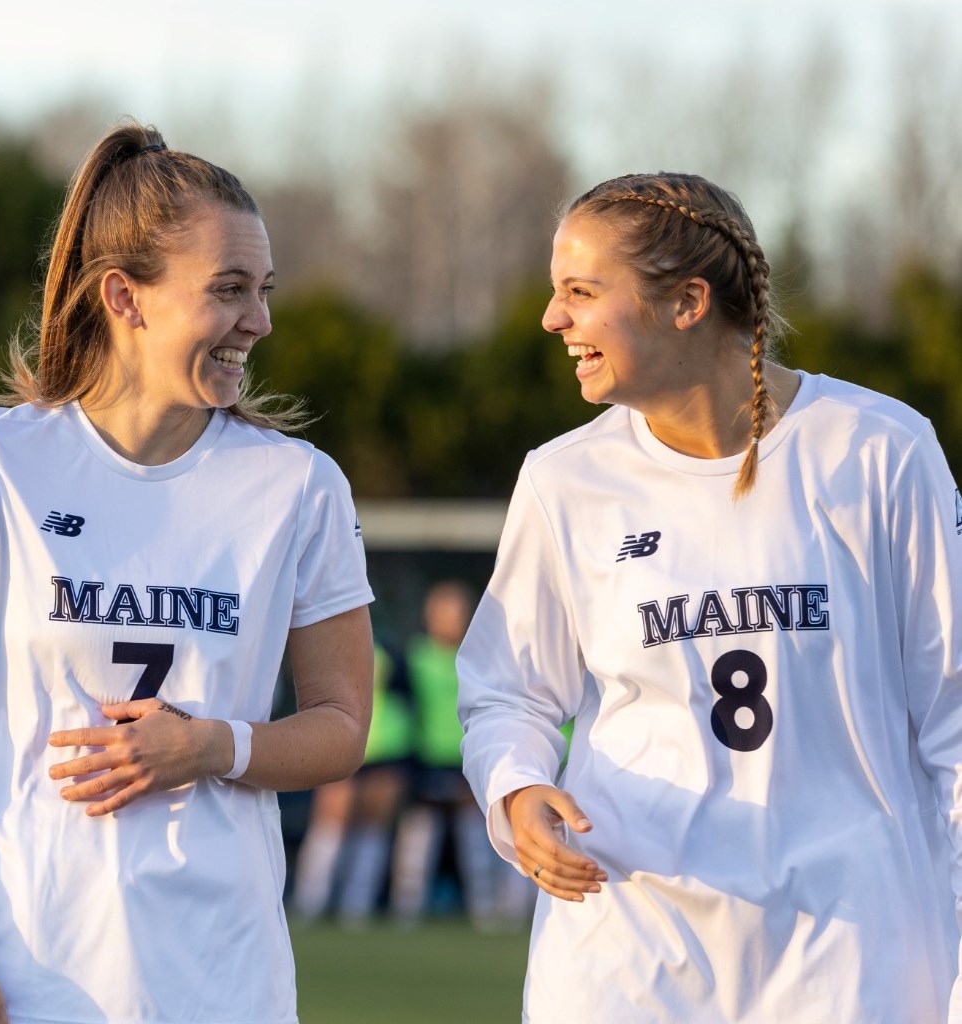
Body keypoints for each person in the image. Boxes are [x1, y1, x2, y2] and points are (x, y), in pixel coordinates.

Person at [0, 120, 375, 1024]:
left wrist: (209, 745)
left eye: (263, 292)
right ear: (125, 296)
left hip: (224, 979)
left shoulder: (300, 485)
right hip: (24, 971)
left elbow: (343, 727)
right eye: (228, 291)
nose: (257, 321)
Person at [458, 172, 962, 1022]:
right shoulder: (563, 480)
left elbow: (954, 721)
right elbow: (507, 692)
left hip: (848, 964)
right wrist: (515, 789)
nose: (552, 320)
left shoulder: (880, 451)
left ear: (688, 302)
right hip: (625, 963)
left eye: (580, 293)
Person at [390, 581, 528, 928]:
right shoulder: (413, 656)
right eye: (444, 613)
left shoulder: (480, 656)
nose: (452, 621)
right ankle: (405, 910)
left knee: (476, 837)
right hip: (426, 758)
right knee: (418, 839)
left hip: (471, 758)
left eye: (458, 613)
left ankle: (485, 909)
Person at [289, 644, 412, 927]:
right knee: (331, 824)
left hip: (385, 749)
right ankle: (310, 901)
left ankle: (357, 907)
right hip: (344, 747)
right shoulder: (332, 647)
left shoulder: (392, 654)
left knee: (372, 830)